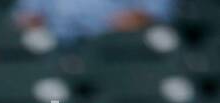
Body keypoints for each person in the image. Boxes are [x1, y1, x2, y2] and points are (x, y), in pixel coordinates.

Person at [13, 0, 174, 43]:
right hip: (67, 46)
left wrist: (137, 20)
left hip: (117, 44)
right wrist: (32, 21)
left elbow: (153, 12)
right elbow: (23, 17)